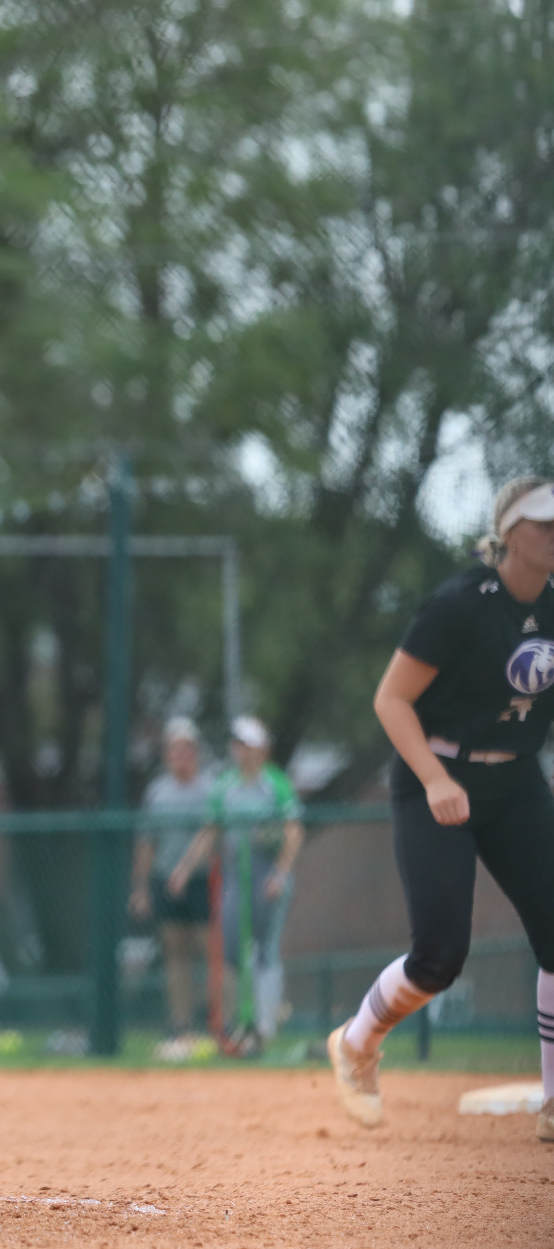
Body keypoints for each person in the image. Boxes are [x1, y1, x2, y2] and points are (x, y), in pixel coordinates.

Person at [328, 477, 554, 1138]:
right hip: (438, 776)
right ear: (509, 533)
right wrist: (432, 779)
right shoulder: (459, 604)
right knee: (439, 955)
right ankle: (357, 1043)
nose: (553, 535)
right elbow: (391, 699)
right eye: (542, 524)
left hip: (516, 781)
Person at [167, 715, 303, 1053]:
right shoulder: (225, 785)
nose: (239, 751)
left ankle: (264, 1025)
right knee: (229, 951)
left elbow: (292, 830)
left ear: (261, 748)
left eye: (246, 744)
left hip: (266, 872)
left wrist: (281, 873)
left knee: (265, 951)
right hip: (234, 875)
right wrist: (184, 868)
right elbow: (210, 831)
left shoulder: (276, 783)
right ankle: (231, 1028)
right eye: (237, 744)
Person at [128, 717, 212, 1054]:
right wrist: (141, 887)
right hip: (166, 880)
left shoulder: (209, 789)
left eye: (187, 749)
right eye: (175, 749)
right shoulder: (158, 793)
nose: (181, 755)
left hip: (203, 880)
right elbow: (147, 843)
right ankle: (181, 1025)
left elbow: (212, 836)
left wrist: (188, 869)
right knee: (175, 953)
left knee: (209, 951)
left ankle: (214, 1022)